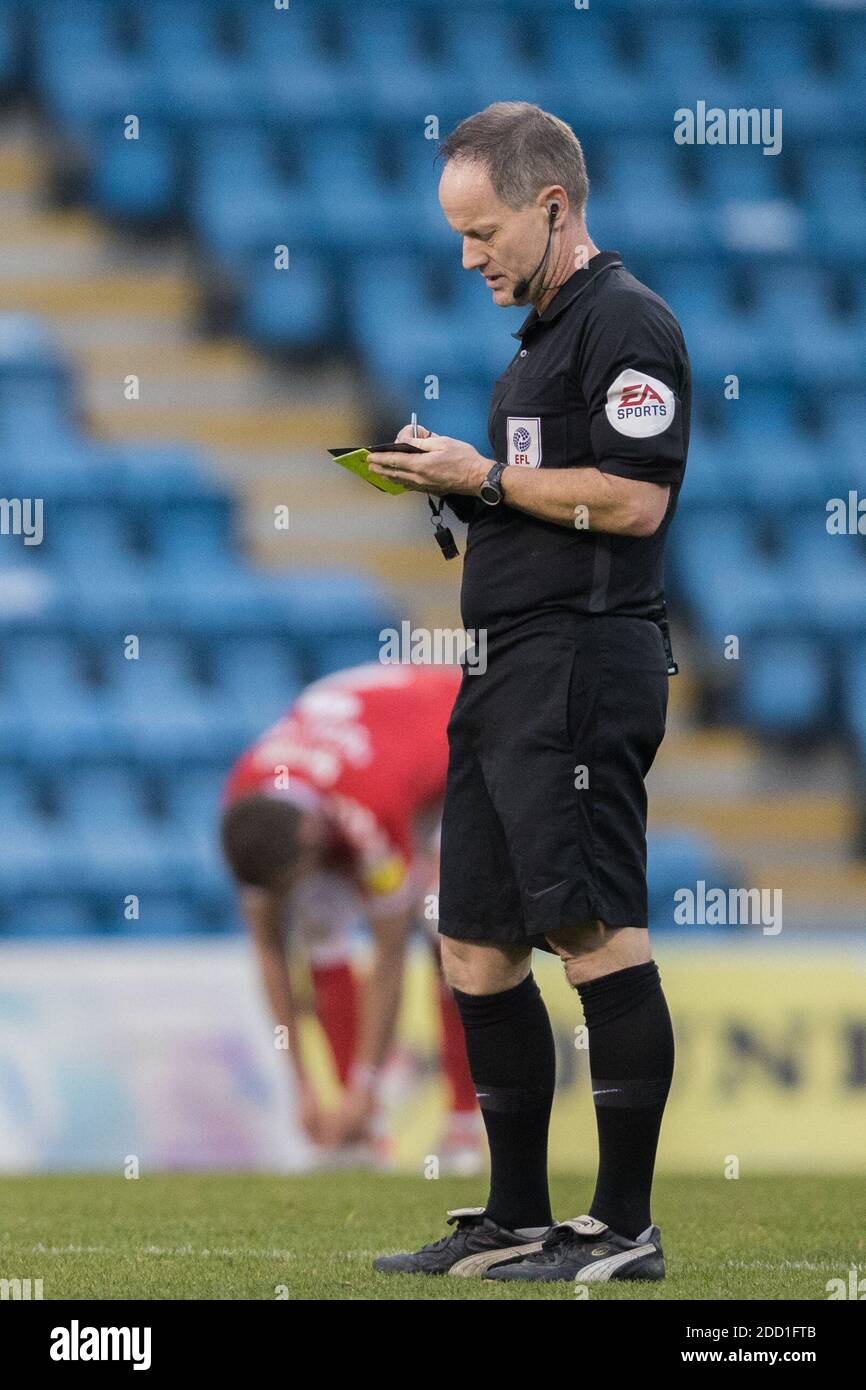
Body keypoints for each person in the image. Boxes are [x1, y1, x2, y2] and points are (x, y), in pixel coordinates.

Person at [368, 102, 689, 1281]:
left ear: (553, 207)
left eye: (482, 229)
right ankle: (512, 1212)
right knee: (475, 945)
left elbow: (638, 502)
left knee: (590, 927)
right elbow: (547, 491)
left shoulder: (628, 325)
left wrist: (488, 473)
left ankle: (621, 1225)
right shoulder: (537, 338)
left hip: (579, 664)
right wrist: (465, 488)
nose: (470, 256)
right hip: (504, 666)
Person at [220, 661, 481, 1168]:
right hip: (366, 731)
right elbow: (270, 947)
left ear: (311, 841)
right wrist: (302, 1087)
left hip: (460, 741)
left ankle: (462, 1127)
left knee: (447, 927)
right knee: (319, 924)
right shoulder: (245, 795)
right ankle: (358, 1134)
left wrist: (370, 1083)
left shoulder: (368, 812)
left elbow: (389, 952)